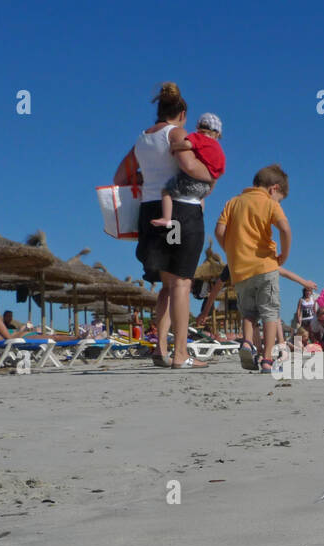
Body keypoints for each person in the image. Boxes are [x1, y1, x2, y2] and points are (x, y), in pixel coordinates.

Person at [113, 82, 212, 369]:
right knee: (182, 282)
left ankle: (161, 349)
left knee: (168, 286)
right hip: (181, 210)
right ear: (181, 112)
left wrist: (148, 180)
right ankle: (181, 354)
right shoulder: (176, 134)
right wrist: (212, 174)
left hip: (150, 211)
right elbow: (191, 167)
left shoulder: (142, 139)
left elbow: (121, 176)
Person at [215, 164, 317, 374]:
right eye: (279, 198)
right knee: (270, 313)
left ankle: (246, 344)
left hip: (240, 269)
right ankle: (267, 359)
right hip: (265, 267)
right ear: (273, 189)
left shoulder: (232, 203)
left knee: (249, 313)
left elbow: (219, 231)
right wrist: (283, 256)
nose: (277, 201)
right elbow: (285, 229)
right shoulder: (269, 204)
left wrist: (231, 250)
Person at [150, 113, 225, 228]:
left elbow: (187, 144)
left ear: (199, 127)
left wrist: (174, 147)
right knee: (201, 198)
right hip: (207, 185)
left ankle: (166, 218)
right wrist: (210, 188)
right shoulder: (219, 149)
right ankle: (199, 216)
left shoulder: (198, 137)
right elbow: (219, 172)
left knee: (166, 191)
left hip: (190, 181)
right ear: (217, 134)